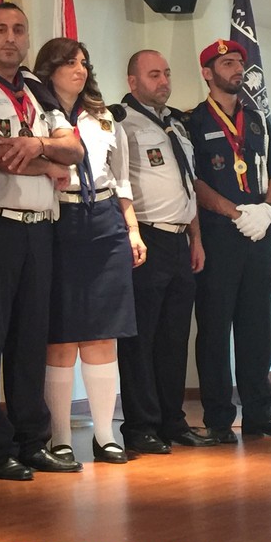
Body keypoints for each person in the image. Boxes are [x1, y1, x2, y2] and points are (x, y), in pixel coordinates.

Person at [0, 4, 85, 480]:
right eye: (0, 29)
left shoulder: (37, 88)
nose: (10, 38)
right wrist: (49, 163)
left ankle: (32, 440)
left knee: (31, 338)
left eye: (19, 29)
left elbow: (73, 147)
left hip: (40, 225)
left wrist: (39, 147)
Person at [184, 39, 271, 442]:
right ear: (207, 72)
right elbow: (193, 182)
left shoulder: (257, 120)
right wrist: (234, 212)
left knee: (257, 325)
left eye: (240, 61)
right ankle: (219, 419)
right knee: (216, 329)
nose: (238, 68)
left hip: (257, 235)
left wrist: (269, 209)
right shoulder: (193, 122)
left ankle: (259, 412)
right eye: (227, 62)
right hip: (219, 237)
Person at [33, 38, 144, 466]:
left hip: (104, 219)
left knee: (103, 331)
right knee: (60, 335)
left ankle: (104, 435)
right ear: (49, 69)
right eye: (69, 63)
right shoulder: (38, 113)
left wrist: (132, 230)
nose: (79, 69)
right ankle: (60, 438)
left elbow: (122, 180)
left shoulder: (103, 117)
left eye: (83, 62)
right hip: (59, 220)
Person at [114, 50, 218, 454]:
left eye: (167, 73)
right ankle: (140, 425)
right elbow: (119, 183)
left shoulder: (177, 122)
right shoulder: (121, 121)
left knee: (174, 337)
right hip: (147, 239)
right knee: (142, 338)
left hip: (180, 239)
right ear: (132, 82)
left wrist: (196, 237)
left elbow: (187, 185)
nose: (163, 80)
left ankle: (173, 420)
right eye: (153, 74)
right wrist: (131, 232)